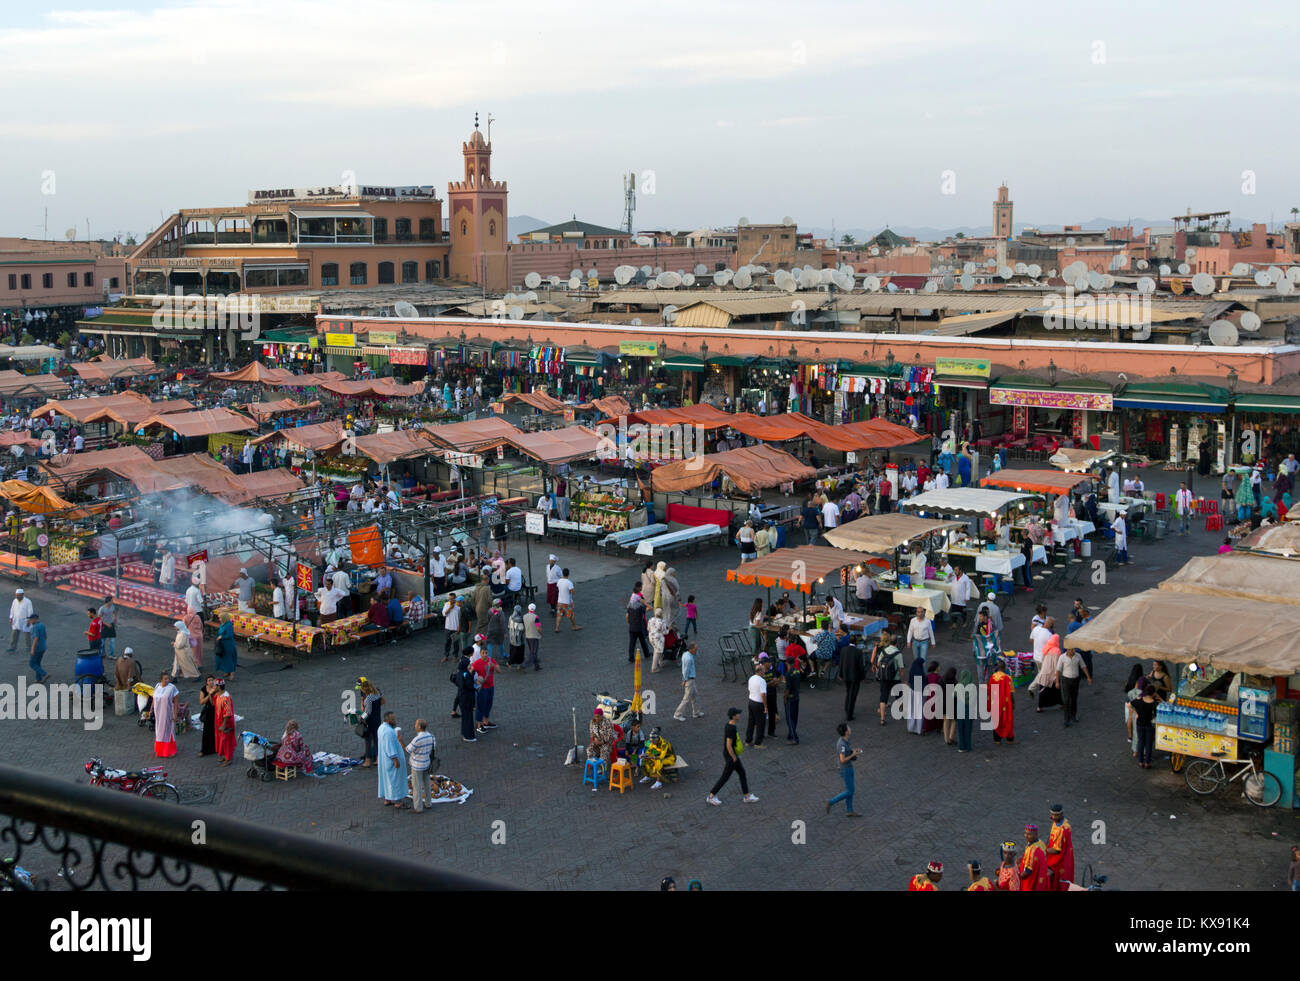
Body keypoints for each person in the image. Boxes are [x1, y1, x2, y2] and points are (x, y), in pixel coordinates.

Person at [706, 708, 758, 806]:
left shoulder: (729, 725)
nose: (739, 715)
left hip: (730, 754)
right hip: (731, 755)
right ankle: (711, 796)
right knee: (725, 776)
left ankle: (747, 796)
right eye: (737, 714)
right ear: (733, 716)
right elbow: (728, 744)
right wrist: (734, 757)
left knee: (742, 773)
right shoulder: (731, 728)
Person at [825, 722, 861, 817]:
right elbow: (842, 759)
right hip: (846, 769)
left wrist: (853, 751)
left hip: (848, 768)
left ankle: (849, 810)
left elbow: (846, 753)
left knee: (850, 790)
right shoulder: (842, 744)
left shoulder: (844, 741)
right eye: (848, 728)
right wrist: (853, 755)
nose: (850, 729)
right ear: (846, 732)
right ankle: (831, 802)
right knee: (850, 791)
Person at [377, 712, 409, 808]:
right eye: (392, 719)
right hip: (391, 761)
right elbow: (390, 748)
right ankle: (398, 801)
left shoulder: (381, 728)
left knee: (387, 780)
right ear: (387, 720)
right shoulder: (388, 732)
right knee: (395, 780)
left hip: (384, 760)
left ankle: (387, 798)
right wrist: (395, 760)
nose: (394, 721)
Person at [404, 719, 434, 812]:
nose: (414, 726)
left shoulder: (417, 739)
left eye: (416, 724)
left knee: (417, 786)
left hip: (417, 765)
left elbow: (407, 750)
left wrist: (400, 741)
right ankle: (428, 803)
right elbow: (433, 748)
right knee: (427, 784)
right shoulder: (431, 736)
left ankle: (418, 807)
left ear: (419, 727)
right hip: (427, 763)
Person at [1058, 642, 1091, 726]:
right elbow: (1058, 670)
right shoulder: (1062, 657)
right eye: (1071, 649)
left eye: (1074, 649)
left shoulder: (1078, 656)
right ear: (1067, 650)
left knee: (1074, 699)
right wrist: (1057, 682)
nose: (1073, 651)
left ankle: (1073, 715)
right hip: (1066, 680)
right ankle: (1066, 719)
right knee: (1066, 700)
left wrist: (1088, 677)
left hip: (1075, 680)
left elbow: (1083, 666)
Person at [1045, 804, 1075, 890]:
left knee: (1060, 879)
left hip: (1061, 857)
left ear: (1061, 814)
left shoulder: (1063, 829)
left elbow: (1057, 851)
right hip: (1056, 851)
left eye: (1056, 815)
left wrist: (1044, 850)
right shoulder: (1056, 822)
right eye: (1052, 814)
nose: (1054, 817)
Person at [986, 658, 1015, 743]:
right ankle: (1009, 739)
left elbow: (989, 690)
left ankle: (997, 739)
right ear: (1004, 668)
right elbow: (1011, 692)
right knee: (1007, 719)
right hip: (1005, 703)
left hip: (995, 703)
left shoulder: (992, 677)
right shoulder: (1008, 678)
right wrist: (1013, 703)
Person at [152, 671, 179, 758]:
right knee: (159, 731)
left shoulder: (172, 688)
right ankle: (160, 751)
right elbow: (154, 699)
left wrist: (175, 714)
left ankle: (170, 751)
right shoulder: (157, 686)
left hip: (168, 713)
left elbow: (176, 702)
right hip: (158, 714)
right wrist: (150, 710)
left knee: (168, 731)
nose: (167, 680)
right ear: (161, 680)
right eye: (165, 679)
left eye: (168, 678)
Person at [358, 677, 384, 767]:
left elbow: (367, 712)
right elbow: (383, 701)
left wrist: (360, 717)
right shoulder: (377, 693)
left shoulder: (368, 699)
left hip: (370, 721)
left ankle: (368, 760)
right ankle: (378, 758)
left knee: (368, 740)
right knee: (377, 739)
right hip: (377, 719)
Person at [840, 635, 866, 722]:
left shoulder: (843, 650)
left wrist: (841, 675)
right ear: (856, 642)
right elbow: (861, 666)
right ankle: (849, 714)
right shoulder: (858, 652)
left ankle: (847, 709)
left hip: (846, 675)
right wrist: (863, 676)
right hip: (855, 676)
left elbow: (841, 663)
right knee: (853, 695)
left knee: (848, 693)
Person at [1019, 824, 1052, 891]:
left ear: (1036, 834)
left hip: (1032, 879)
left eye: (1029, 834)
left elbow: (1028, 871)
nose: (1026, 836)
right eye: (1025, 833)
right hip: (1041, 875)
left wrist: (1018, 878)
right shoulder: (1041, 843)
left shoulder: (1032, 850)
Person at [1133, 681, 1158, 768]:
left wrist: (1136, 713)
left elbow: (1129, 705)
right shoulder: (1154, 703)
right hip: (1149, 725)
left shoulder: (1140, 700)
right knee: (1148, 743)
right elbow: (1156, 715)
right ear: (1154, 693)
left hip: (1139, 723)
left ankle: (1140, 761)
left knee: (1141, 741)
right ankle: (1147, 762)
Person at [588, 708, 615, 784]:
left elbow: (610, 737)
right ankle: (595, 767)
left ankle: (603, 770)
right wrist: (595, 739)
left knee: (604, 751)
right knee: (589, 750)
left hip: (606, 743)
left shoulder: (608, 723)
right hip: (597, 742)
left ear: (601, 716)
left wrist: (601, 742)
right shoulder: (592, 722)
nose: (596, 718)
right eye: (595, 716)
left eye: (598, 716)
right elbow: (591, 733)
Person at [212, 680, 235, 767]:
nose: (213, 687)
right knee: (220, 739)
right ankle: (224, 755)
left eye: (215, 686)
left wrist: (224, 725)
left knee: (226, 740)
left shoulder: (226, 698)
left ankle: (228, 758)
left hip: (226, 723)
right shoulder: (218, 695)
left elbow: (228, 713)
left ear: (218, 687)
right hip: (219, 721)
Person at [745, 661, 767, 747]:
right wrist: (765, 706)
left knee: (751, 722)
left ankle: (748, 740)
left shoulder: (751, 678)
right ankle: (758, 743)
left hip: (751, 701)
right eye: (764, 670)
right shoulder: (762, 681)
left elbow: (749, 690)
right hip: (758, 704)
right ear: (760, 671)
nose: (764, 672)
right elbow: (763, 694)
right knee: (760, 723)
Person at [456, 655, 478, 742]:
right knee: (468, 717)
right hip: (467, 699)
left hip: (462, 698)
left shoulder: (460, 673)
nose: (470, 666)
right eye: (469, 664)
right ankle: (468, 736)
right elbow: (469, 685)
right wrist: (472, 674)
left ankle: (464, 732)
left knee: (465, 717)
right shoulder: (465, 674)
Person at [783, 650, 803, 743]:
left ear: (787, 663)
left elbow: (788, 688)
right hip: (796, 697)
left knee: (789, 718)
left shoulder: (788, 674)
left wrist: (785, 698)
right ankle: (791, 734)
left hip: (790, 698)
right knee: (794, 717)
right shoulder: (797, 672)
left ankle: (794, 738)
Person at [7, 587, 32, 655]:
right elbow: (12, 609)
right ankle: (13, 647)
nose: (18, 596)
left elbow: (30, 611)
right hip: (16, 620)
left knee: (27, 634)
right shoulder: (14, 601)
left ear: (23, 594)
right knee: (14, 634)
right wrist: (11, 618)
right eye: (17, 595)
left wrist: (29, 620)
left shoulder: (28, 601)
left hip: (25, 620)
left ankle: (29, 647)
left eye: (19, 595)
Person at [214, 612, 237, 680]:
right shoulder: (222, 624)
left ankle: (232, 674)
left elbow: (229, 635)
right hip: (222, 644)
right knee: (224, 658)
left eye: (220, 618)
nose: (219, 619)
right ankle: (227, 671)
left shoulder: (229, 625)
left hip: (228, 645)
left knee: (229, 659)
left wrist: (221, 637)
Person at [555, 568, 580, 632]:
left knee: (559, 615)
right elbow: (573, 592)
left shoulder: (559, 581)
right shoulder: (569, 582)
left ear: (562, 573)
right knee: (571, 615)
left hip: (559, 601)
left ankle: (557, 628)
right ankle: (574, 626)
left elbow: (558, 587)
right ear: (568, 574)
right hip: (566, 602)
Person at [197, 676, 217, 757]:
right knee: (206, 731)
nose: (211, 682)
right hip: (208, 711)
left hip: (216, 710)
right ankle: (204, 750)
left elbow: (214, 703)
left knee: (214, 730)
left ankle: (215, 748)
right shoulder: (203, 689)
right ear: (206, 682)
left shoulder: (216, 689)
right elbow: (201, 702)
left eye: (212, 680)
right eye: (209, 680)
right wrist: (209, 695)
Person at [523, 603, 542, 670]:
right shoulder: (535, 617)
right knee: (533, 652)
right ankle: (525, 664)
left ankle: (536, 666)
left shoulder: (524, 616)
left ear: (528, 608)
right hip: (534, 636)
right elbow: (538, 628)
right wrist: (540, 633)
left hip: (527, 636)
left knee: (532, 651)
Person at [507, 604, 526, 670]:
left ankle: (509, 663)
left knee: (512, 652)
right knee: (520, 653)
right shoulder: (521, 619)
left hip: (512, 638)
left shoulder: (510, 617)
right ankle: (518, 665)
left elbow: (508, 626)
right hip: (519, 639)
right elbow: (522, 629)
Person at [98, 595, 117, 659]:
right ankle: (102, 653)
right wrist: (106, 624)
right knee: (102, 642)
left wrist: (114, 618)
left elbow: (114, 612)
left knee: (112, 641)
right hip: (104, 626)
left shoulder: (112, 606)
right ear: (108, 601)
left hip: (111, 625)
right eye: (112, 601)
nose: (112, 602)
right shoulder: (102, 609)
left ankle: (111, 654)